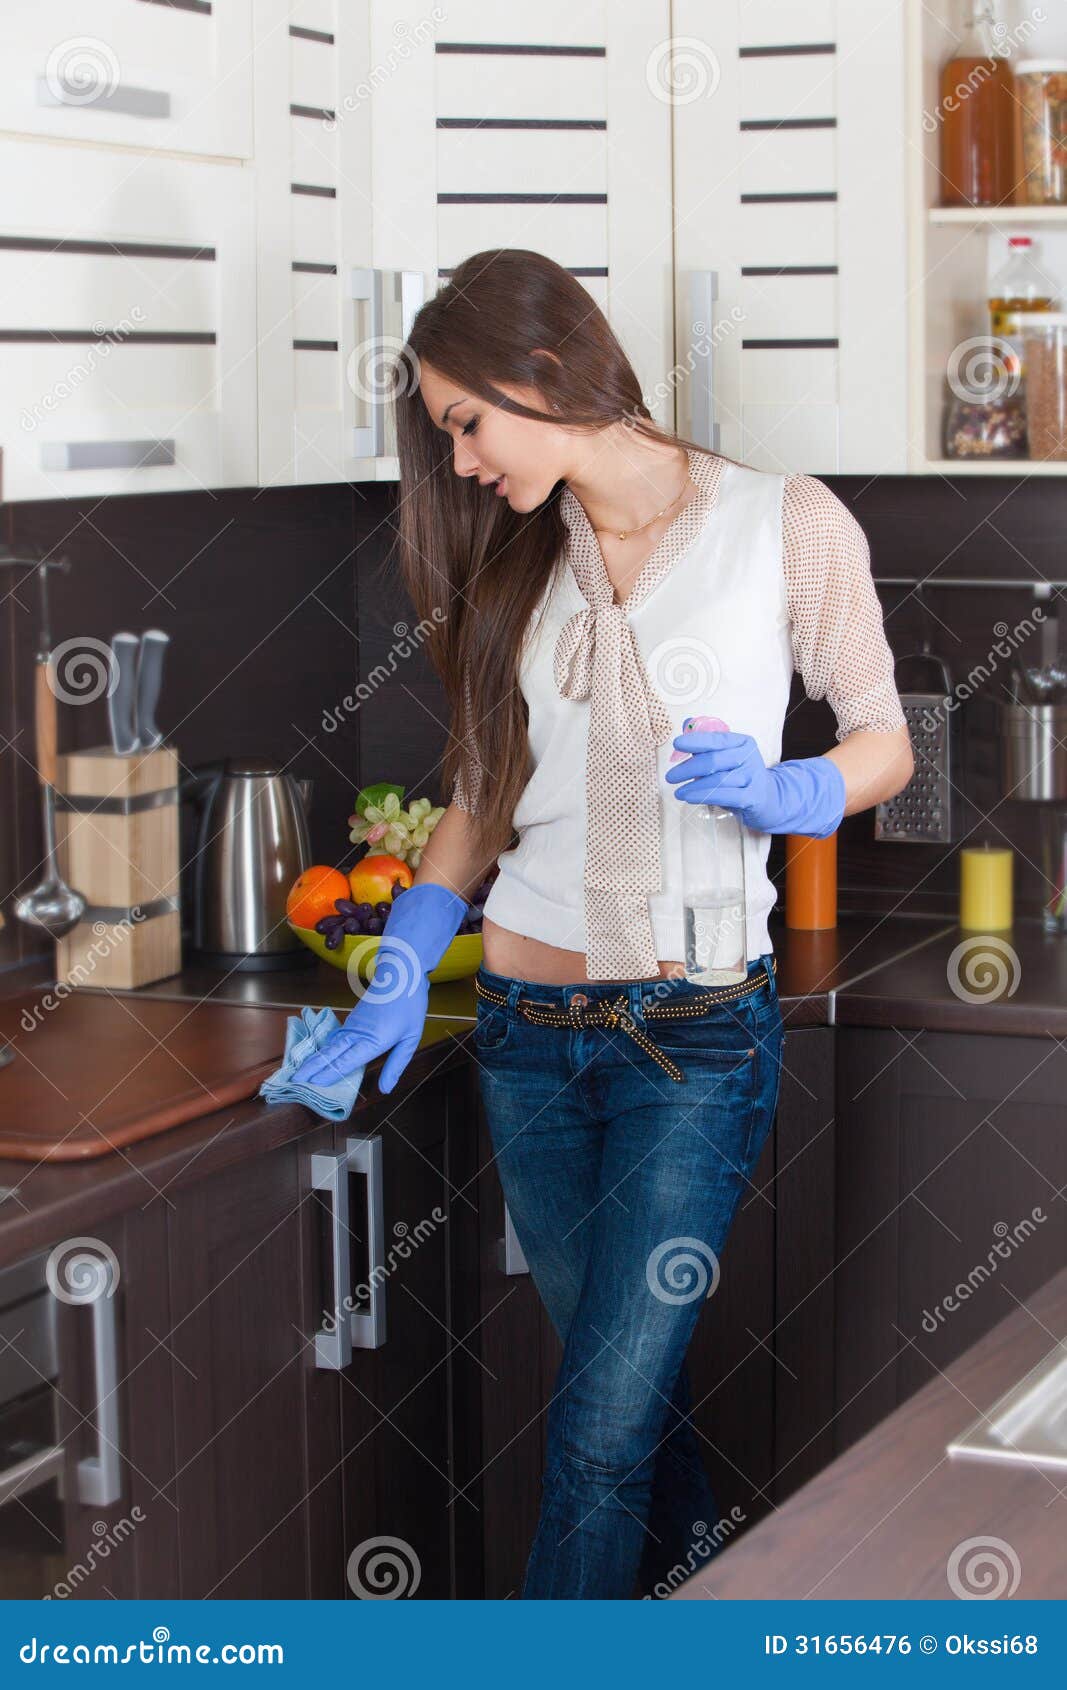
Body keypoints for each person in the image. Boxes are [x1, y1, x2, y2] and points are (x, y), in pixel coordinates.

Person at [295, 248, 914, 1598]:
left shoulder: (784, 522)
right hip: (526, 1040)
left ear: (541, 372)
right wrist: (403, 962)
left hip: (693, 1037)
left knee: (592, 1438)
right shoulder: (517, 558)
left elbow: (883, 739)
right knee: (625, 1415)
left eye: (466, 421)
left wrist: (795, 786)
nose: (458, 461)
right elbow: (476, 793)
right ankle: (704, 1613)